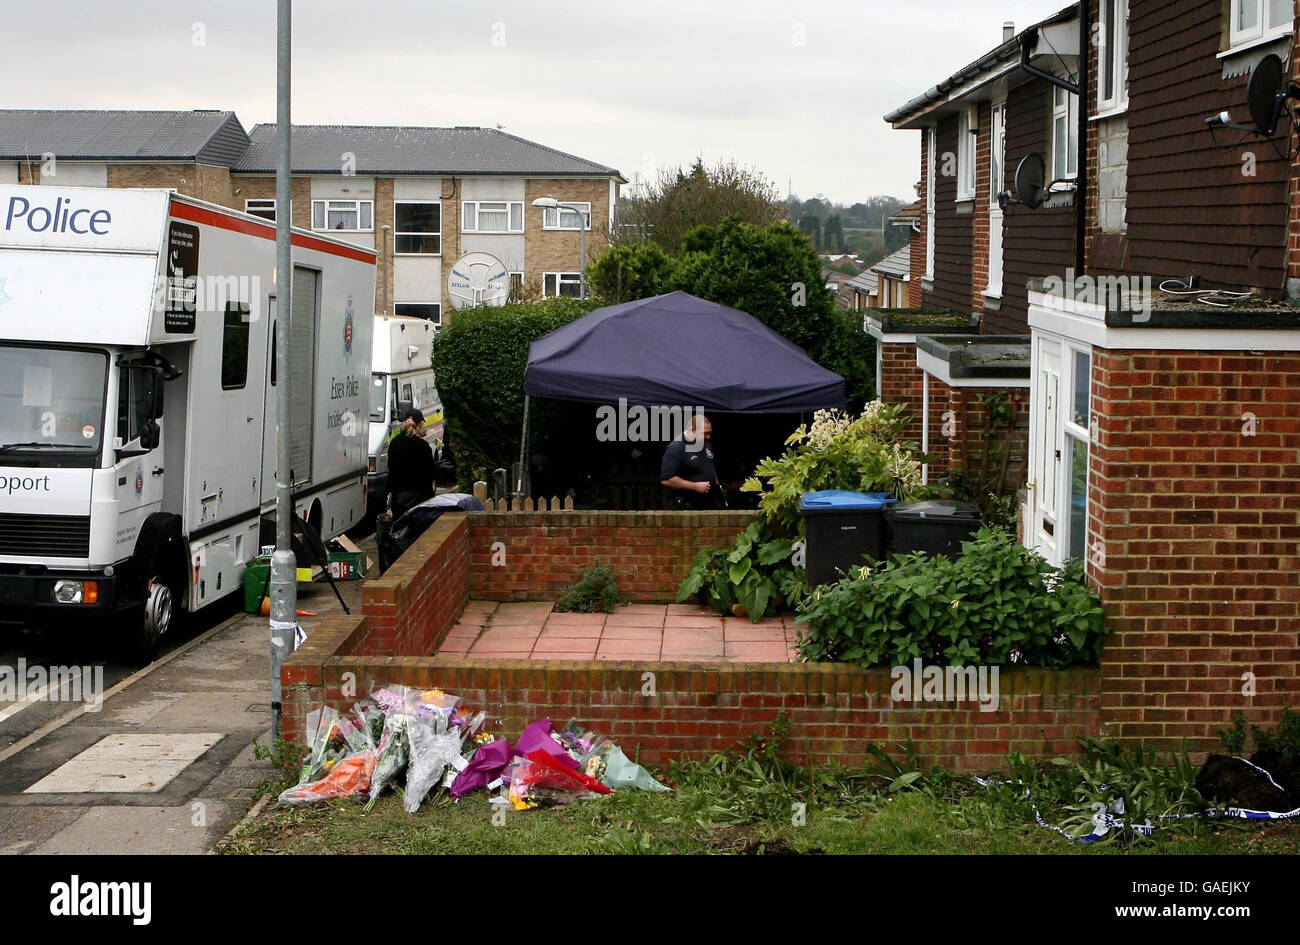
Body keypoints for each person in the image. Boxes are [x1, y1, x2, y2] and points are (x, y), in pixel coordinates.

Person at [660, 413, 721, 510]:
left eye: (709, 433)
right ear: (693, 430)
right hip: (686, 507)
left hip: (708, 503)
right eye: (705, 433)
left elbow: (709, 467)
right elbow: (666, 479)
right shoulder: (676, 447)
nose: (708, 437)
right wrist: (695, 486)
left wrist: (717, 490)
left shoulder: (706, 443)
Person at [386, 408, 436, 520]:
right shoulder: (423, 446)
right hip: (420, 499)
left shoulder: (394, 443)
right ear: (419, 425)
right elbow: (430, 473)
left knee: (400, 532)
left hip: (399, 500)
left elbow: (391, 470)